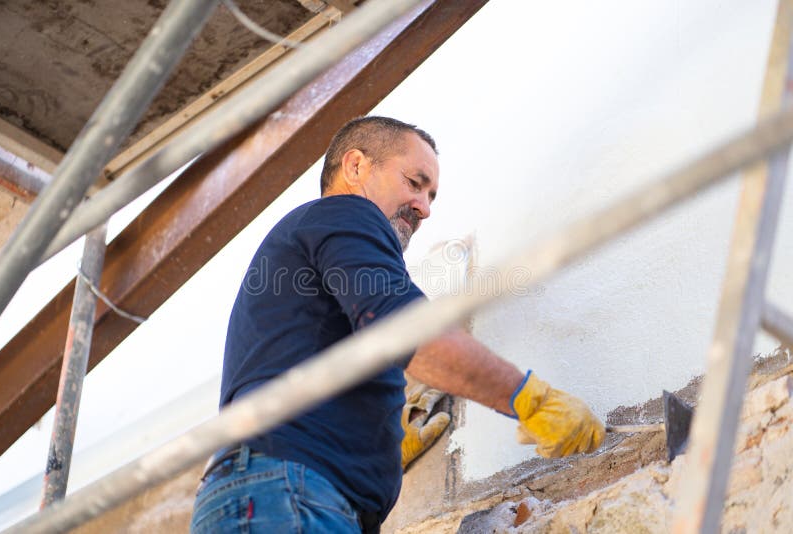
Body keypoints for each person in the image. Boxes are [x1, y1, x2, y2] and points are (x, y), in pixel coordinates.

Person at [190, 117, 605, 533]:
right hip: (287, 490)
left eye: (431, 196)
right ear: (355, 167)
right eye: (414, 182)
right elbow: (404, 330)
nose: (424, 208)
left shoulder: (316, 248)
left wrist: (374, 445)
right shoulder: (345, 215)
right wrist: (529, 399)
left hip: (283, 492)